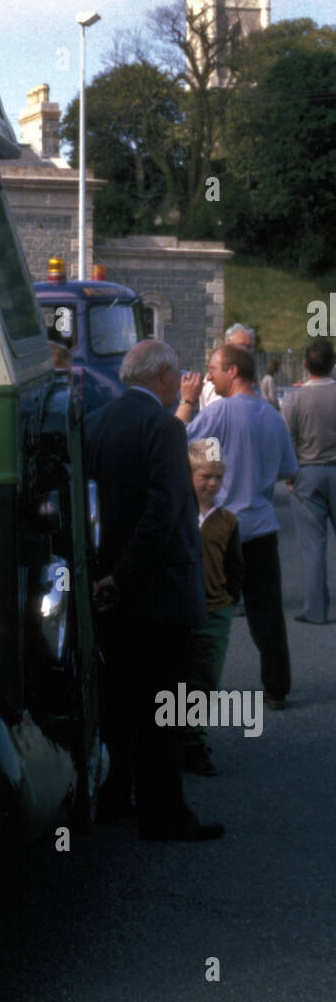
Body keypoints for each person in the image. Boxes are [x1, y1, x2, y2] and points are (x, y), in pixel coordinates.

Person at [85, 340, 223, 841]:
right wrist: (125, 577)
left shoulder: (97, 423)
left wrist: (107, 578)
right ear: (164, 375)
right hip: (157, 593)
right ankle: (164, 815)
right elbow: (163, 514)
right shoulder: (163, 427)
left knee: (121, 704)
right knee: (166, 707)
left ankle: (117, 794)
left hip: (110, 593)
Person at [178, 344, 298, 709]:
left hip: (222, 527)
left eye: (213, 368)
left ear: (233, 371)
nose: (208, 375)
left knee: (210, 612)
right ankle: (276, 688)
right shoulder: (272, 416)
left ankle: (197, 693)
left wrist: (187, 400)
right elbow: (288, 470)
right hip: (261, 526)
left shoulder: (221, 412)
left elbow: (174, 439)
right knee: (268, 613)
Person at [184, 439, 244, 776]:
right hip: (179, 610)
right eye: (205, 475)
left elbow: (235, 567)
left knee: (205, 680)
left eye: (219, 477)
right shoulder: (178, 514)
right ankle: (174, 739)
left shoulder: (227, 521)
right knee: (177, 675)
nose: (212, 483)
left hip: (215, 610)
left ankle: (195, 742)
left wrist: (229, 599)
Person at [281, 338, 336, 624]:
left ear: (305, 365)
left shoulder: (294, 399)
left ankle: (316, 610)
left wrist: (290, 476)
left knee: (313, 546)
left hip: (308, 471)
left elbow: (286, 441)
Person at [199, 323, 256, 409]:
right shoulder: (217, 381)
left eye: (249, 347)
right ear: (227, 345)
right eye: (241, 346)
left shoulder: (249, 380)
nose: (246, 351)